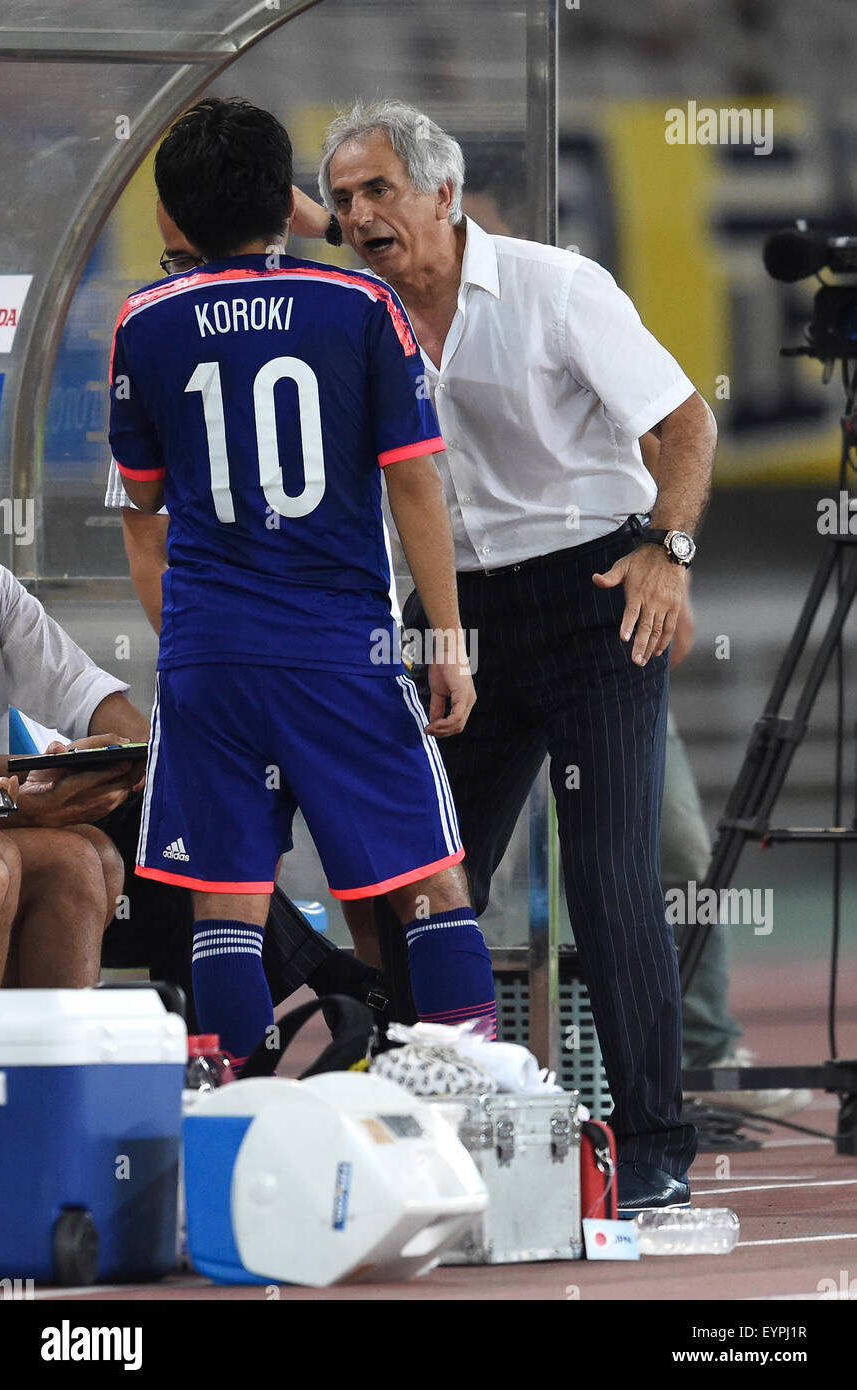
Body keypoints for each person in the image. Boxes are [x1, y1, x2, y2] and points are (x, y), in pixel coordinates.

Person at [290, 98, 719, 1215]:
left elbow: (684, 423)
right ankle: (400, 1121)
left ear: (443, 191)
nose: (357, 215)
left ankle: (654, 1141)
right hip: (454, 611)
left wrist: (666, 553)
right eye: (342, 200)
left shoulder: (552, 286)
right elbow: (296, 224)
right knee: (423, 883)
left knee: (609, 874)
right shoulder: (358, 302)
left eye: (379, 190)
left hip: (592, 594)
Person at [109, 97, 498, 1069]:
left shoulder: (142, 322)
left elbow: (141, 520)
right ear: (287, 201)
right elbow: (413, 480)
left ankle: (244, 1129)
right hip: (339, 648)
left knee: (226, 901)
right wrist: (444, 640)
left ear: (171, 219)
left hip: (209, 655)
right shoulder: (362, 307)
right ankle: (470, 1111)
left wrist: (191, 643)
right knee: (427, 886)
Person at [102, 200, 396, 1026]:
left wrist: (202, 647)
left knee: (336, 888)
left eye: (180, 256)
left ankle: (323, 1074)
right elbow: (144, 539)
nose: (179, 276)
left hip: (294, 652)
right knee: (254, 887)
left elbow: (141, 532)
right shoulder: (169, 355)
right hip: (294, 654)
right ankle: (294, 1078)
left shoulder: (164, 335)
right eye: (168, 264)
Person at [0, 559, 141, 988]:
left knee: (99, 852)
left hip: (0, 795)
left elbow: (78, 687)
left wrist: (160, 759)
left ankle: (55, 1051)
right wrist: (19, 799)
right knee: (44, 863)